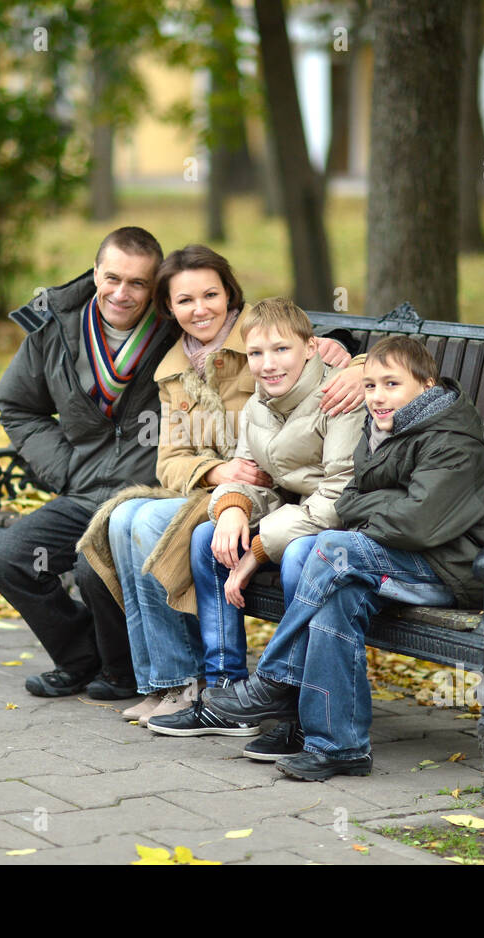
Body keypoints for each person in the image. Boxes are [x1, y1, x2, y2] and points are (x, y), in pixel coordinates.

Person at [199, 335, 484, 779]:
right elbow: (350, 502)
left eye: (391, 384)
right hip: (413, 559)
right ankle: (340, 748)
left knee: (333, 547)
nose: (377, 396)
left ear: (427, 385)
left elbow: (416, 524)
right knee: (339, 596)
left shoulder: (452, 442)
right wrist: (392, 501)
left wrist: (384, 505)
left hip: (468, 569)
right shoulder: (381, 435)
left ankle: (276, 677)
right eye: (370, 385)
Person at [77, 248, 365, 722]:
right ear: (169, 308)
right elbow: (169, 461)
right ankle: (165, 682)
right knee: (124, 517)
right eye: (185, 300)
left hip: (279, 497)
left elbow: (327, 353)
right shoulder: (173, 369)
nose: (201, 308)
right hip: (229, 489)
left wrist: (356, 363)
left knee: (146, 519)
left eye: (211, 294)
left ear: (229, 294)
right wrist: (217, 474)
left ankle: (193, 683)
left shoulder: (257, 338)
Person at [147, 297, 366, 737]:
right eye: (256, 353)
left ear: (310, 347)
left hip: (347, 529)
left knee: (298, 555)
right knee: (207, 537)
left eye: (281, 350)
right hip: (299, 516)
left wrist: (261, 545)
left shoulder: (341, 399)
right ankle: (224, 694)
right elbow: (256, 479)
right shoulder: (259, 406)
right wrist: (233, 508)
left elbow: (341, 497)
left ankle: (293, 705)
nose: (268, 364)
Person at [0, 227, 175, 698]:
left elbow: (250, 335)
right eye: (112, 278)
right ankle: (81, 657)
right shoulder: (54, 327)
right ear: (95, 273)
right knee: (8, 560)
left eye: (137, 284)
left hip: (148, 498)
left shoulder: (179, 328)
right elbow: (17, 404)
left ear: (155, 288)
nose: (121, 293)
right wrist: (65, 469)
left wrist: (340, 352)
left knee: (95, 564)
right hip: (84, 491)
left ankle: (122, 671)